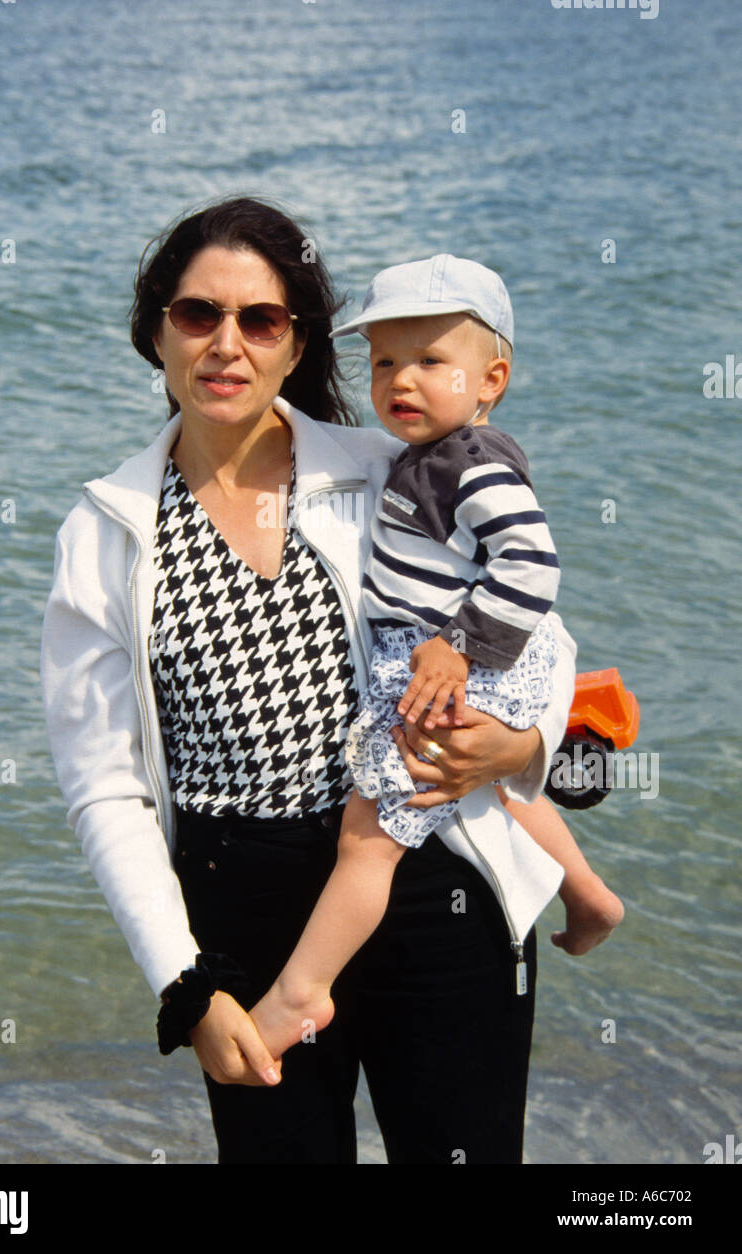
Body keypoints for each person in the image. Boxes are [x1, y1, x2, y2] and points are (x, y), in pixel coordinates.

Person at [41, 196, 579, 1164]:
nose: (227, 345)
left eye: (262, 319)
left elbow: (539, 626)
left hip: (429, 876)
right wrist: (186, 981)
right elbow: (102, 783)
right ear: (156, 330)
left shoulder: (391, 468)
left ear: (297, 345)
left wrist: (525, 745)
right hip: (235, 909)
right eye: (198, 314)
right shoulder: (105, 528)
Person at [249, 255, 624, 1060]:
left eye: (428, 361)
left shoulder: (470, 464)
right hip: (456, 661)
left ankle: (301, 990)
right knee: (483, 781)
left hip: (456, 664)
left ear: (491, 377)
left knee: (368, 834)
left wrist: (458, 651)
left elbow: (531, 567)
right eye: (383, 361)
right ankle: (588, 894)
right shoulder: (423, 457)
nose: (399, 380)